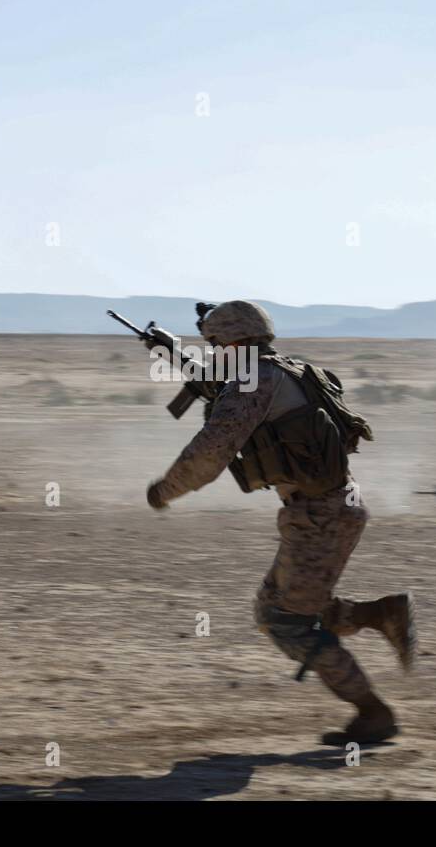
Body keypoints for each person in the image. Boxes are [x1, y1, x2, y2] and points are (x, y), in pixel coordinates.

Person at [145, 300, 414, 746]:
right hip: (327, 509)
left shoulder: (253, 380)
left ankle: (374, 713)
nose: (213, 354)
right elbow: (223, 386)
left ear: (230, 342)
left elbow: (212, 451)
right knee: (281, 605)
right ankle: (378, 614)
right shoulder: (286, 369)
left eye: (214, 345)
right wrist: (172, 350)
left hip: (319, 516)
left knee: (285, 619)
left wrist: (165, 490)